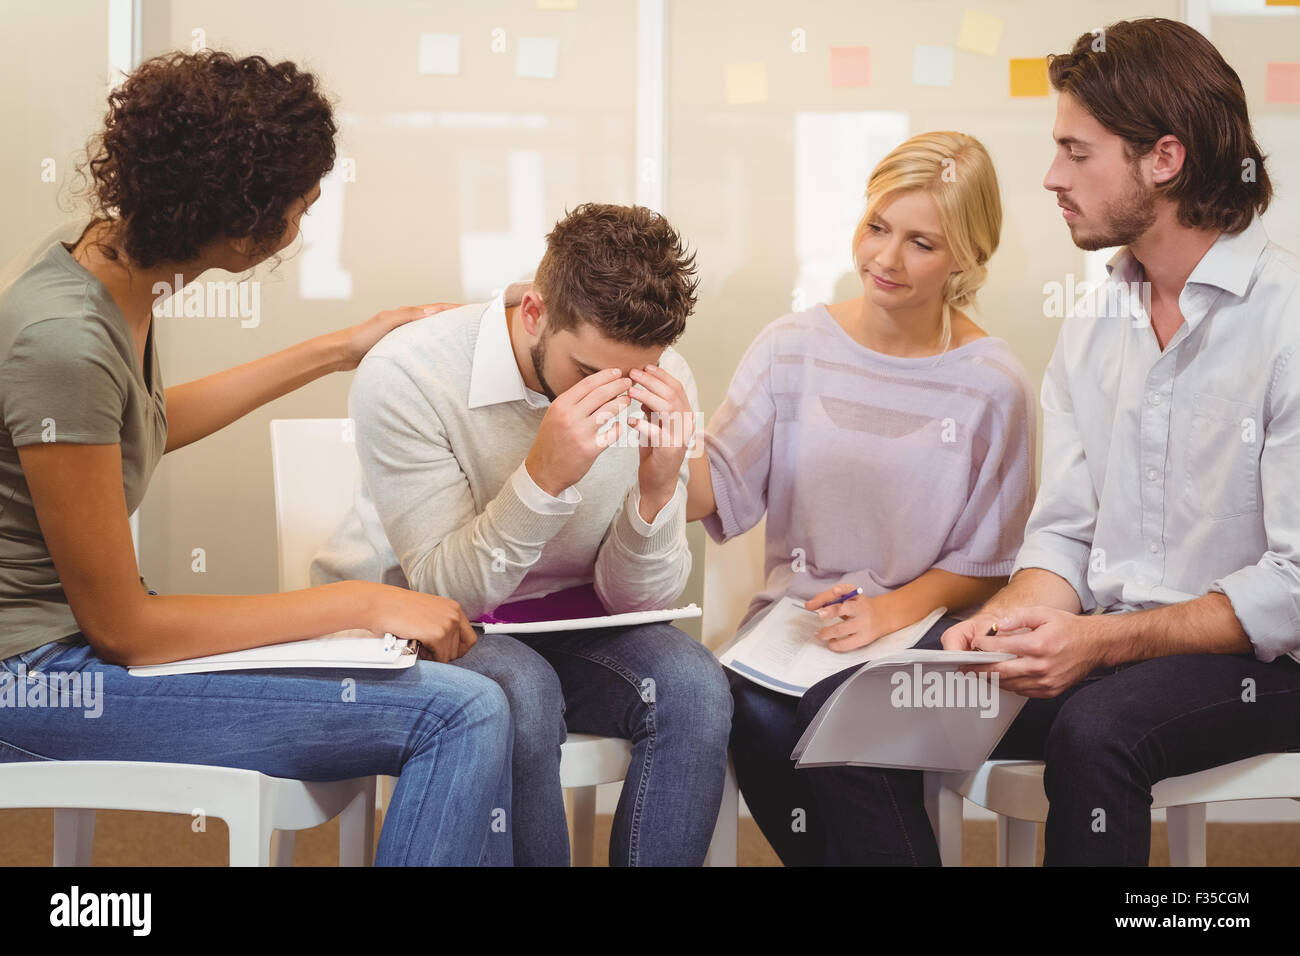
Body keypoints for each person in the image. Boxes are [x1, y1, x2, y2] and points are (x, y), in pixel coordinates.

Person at [796, 17, 1300, 866]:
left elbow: (1292, 585)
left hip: (1264, 663)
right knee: (859, 712)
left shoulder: (1286, 321)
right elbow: (1062, 534)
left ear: (1163, 159)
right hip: (1108, 646)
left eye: (1077, 152)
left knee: (1098, 731)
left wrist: (1099, 643)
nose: (1050, 177)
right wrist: (1002, 625)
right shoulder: (1096, 323)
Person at [0, 50, 512, 866]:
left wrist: (340, 348)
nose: (301, 227)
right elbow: (127, 630)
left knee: (463, 699)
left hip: (71, 650)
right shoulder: (63, 339)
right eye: (301, 208)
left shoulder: (100, 257)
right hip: (29, 677)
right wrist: (359, 604)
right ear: (242, 229)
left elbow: (141, 423)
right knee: (461, 712)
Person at [311, 202, 734, 866]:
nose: (616, 398)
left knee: (696, 684)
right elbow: (445, 590)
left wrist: (656, 488)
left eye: (633, 378)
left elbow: (637, 604)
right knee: (519, 690)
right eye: (589, 374)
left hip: (574, 625)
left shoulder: (662, 379)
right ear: (535, 312)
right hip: (422, 623)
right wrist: (543, 480)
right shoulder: (409, 375)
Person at [686, 131, 1038, 866]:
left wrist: (887, 610)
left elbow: (992, 564)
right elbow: (716, 487)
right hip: (799, 627)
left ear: (966, 257)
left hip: (928, 633)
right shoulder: (791, 347)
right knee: (738, 708)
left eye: (921, 243)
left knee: (842, 719)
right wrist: (646, 443)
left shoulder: (992, 383)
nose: (885, 258)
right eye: (878, 226)